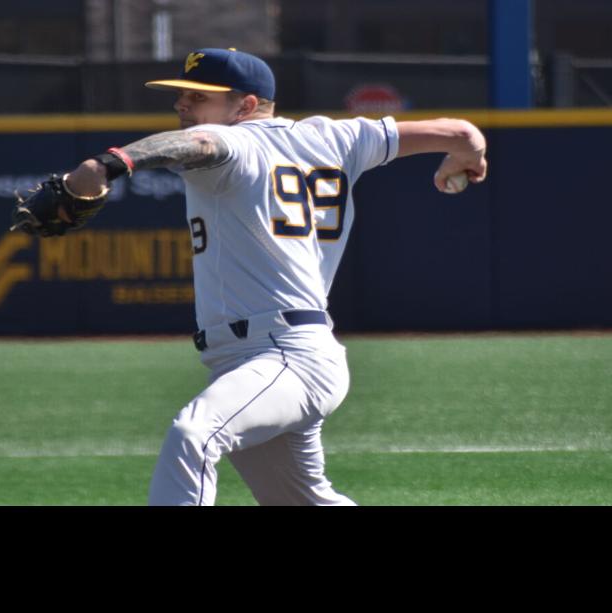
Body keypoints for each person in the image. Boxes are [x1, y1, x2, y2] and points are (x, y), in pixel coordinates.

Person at [24, 47, 486, 505]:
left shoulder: (236, 141)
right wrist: (465, 155)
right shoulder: (335, 137)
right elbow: (461, 132)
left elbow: (202, 144)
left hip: (287, 355)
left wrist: (107, 164)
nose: (183, 105)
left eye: (199, 97)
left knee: (194, 433)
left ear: (245, 106)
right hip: (263, 355)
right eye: (182, 95)